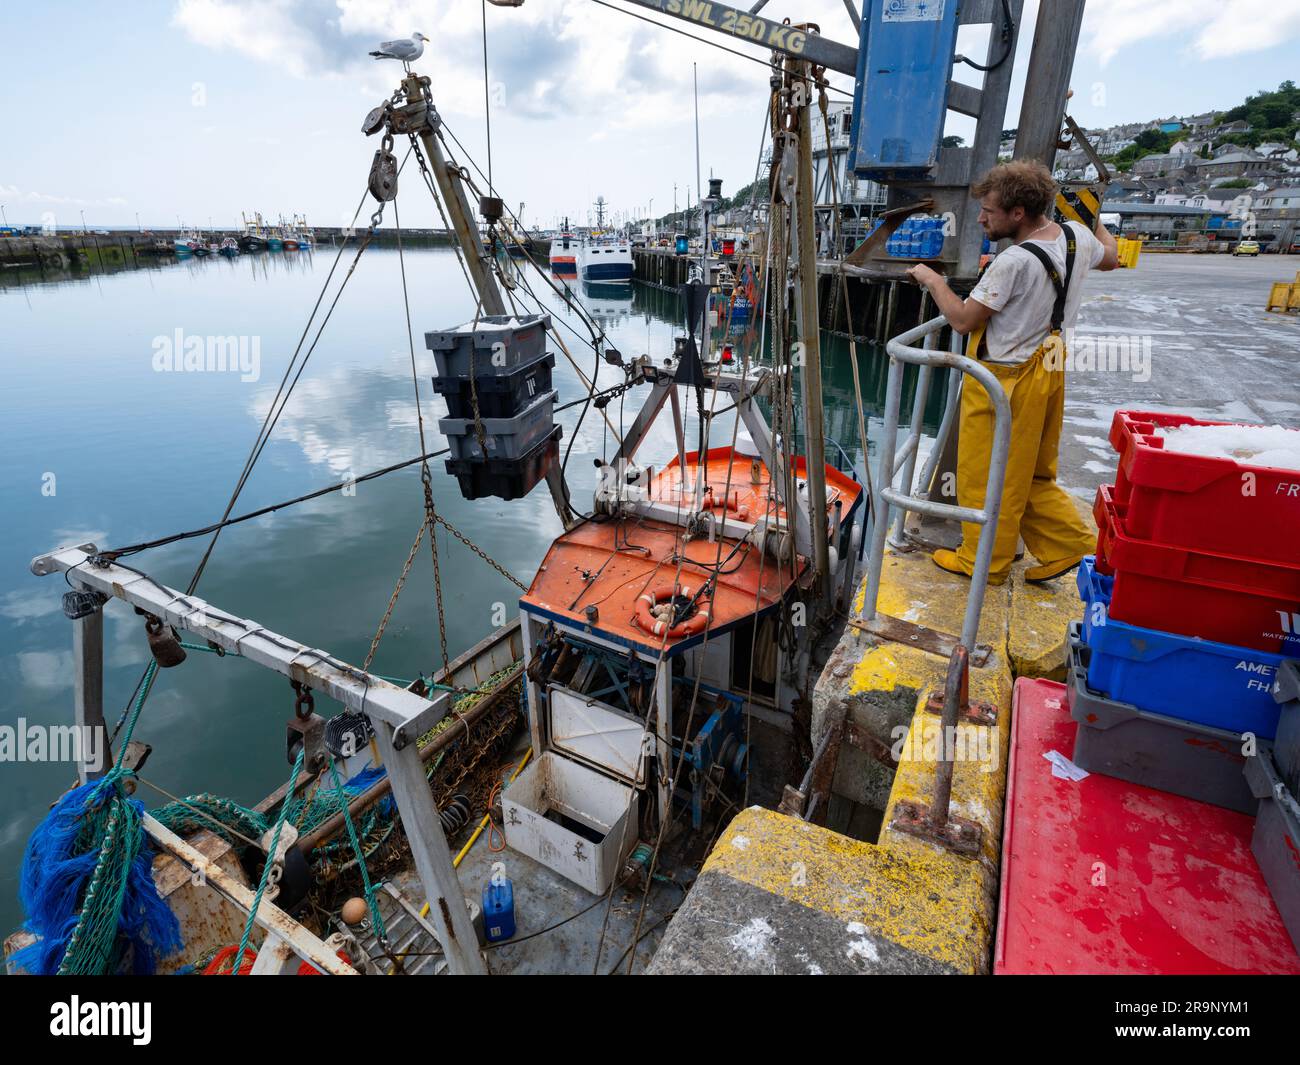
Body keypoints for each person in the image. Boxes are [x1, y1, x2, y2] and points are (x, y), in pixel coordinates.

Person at [906, 161, 1120, 586]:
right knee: (1034, 472)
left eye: (989, 210)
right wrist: (1095, 217)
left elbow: (965, 320)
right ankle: (1070, 546)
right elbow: (1111, 257)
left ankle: (984, 560)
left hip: (1006, 379)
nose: (982, 218)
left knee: (985, 473)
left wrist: (932, 279)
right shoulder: (1075, 237)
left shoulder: (1014, 262)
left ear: (1018, 213)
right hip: (1051, 367)